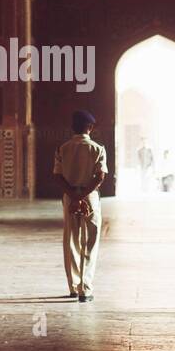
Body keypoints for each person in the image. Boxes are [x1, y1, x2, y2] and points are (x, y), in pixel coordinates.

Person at [53, 109, 107, 302]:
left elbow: (57, 176)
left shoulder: (62, 148)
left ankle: (74, 287)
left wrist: (73, 196)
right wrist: (83, 195)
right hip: (90, 197)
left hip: (70, 196)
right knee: (90, 242)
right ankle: (86, 289)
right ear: (90, 128)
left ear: (72, 128)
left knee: (71, 240)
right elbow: (100, 176)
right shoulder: (97, 149)